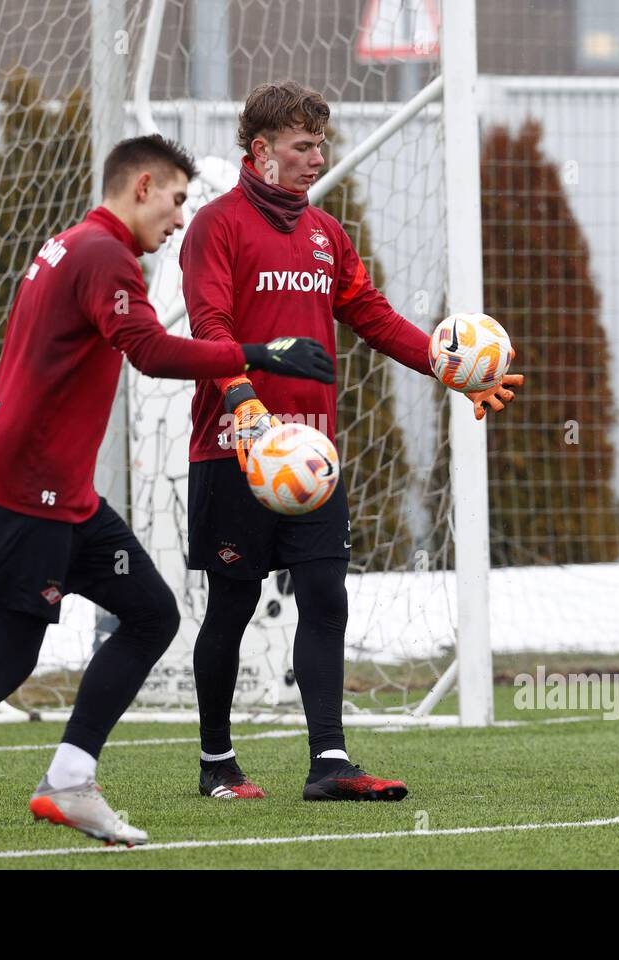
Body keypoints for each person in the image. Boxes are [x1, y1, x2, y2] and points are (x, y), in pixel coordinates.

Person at [0, 134, 336, 858]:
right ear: (141, 186)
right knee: (6, 661)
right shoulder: (104, 254)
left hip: (63, 493)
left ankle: (70, 780)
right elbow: (150, 349)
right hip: (26, 490)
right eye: (174, 202)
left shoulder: (78, 245)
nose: (177, 221)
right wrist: (257, 353)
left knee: (151, 612)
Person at [180, 81, 523, 802]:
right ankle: (218, 763)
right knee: (232, 606)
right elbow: (208, 322)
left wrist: (444, 365)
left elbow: (370, 313)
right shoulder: (217, 226)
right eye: (303, 146)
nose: (316, 158)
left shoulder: (325, 234)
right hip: (233, 449)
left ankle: (330, 763)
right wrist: (242, 397)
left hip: (313, 458)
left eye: (321, 145)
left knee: (326, 597)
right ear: (261, 152)